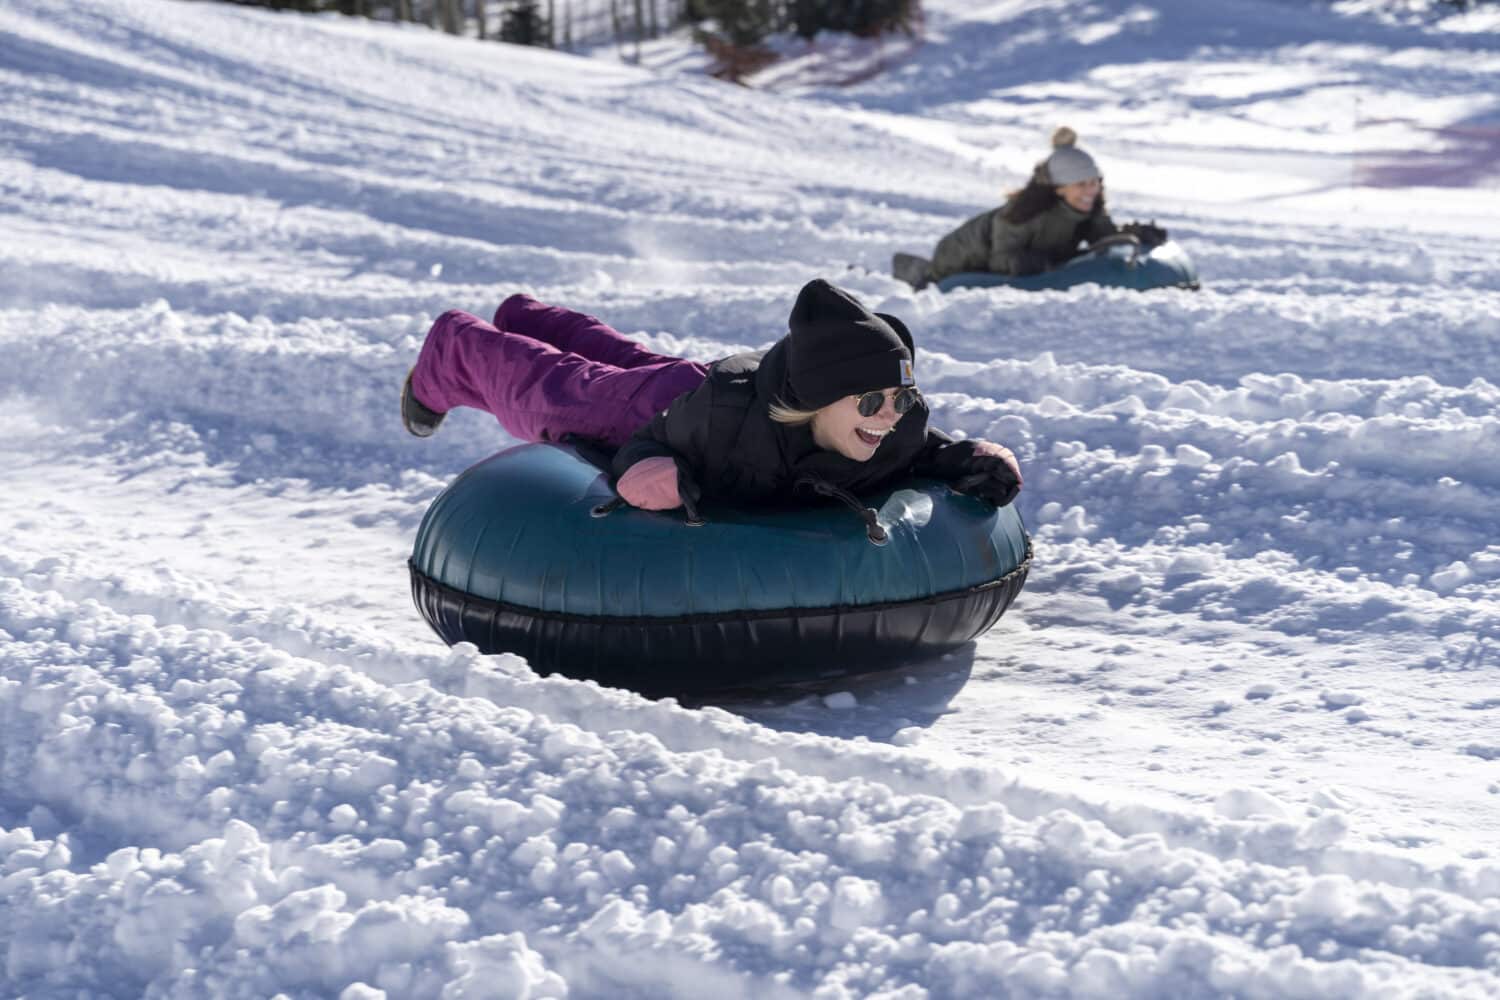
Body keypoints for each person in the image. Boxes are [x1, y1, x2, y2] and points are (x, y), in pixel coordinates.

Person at [401, 279, 1022, 523]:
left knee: (622, 358)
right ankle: (453, 350)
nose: (888, 416)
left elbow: (920, 450)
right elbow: (646, 450)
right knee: (551, 393)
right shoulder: (726, 432)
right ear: (817, 400)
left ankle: (524, 316)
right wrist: (654, 474)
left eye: (900, 397)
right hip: (667, 414)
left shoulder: (890, 426)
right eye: (869, 403)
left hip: (716, 386)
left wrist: (972, 457)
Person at [893, 127, 1167, 289]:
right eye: (1081, 184)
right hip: (961, 254)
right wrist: (1038, 261)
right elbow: (1000, 260)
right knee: (934, 280)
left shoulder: (1089, 209)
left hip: (1001, 256)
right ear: (1059, 188)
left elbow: (1103, 240)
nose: (1091, 191)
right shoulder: (1022, 213)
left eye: (1095, 182)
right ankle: (916, 275)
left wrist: (1136, 234)